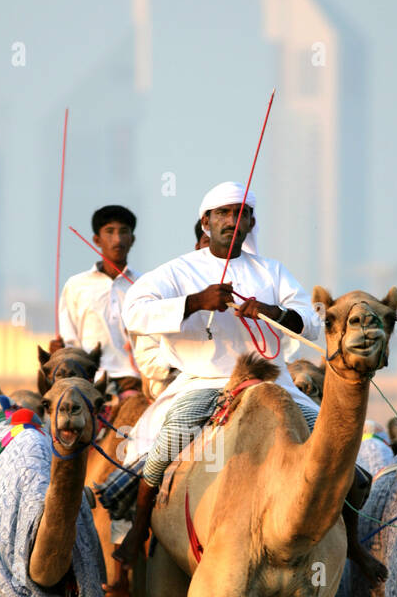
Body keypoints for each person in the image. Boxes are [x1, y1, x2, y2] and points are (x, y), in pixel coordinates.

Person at [109, 180, 322, 566]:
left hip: (272, 383)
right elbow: (134, 312)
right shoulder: (177, 271)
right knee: (167, 443)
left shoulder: (272, 272)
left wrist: (272, 312)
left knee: (329, 444)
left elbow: (312, 321)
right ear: (205, 221)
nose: (231, 220)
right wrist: (196, 301)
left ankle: (350, 548)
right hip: (207, 384)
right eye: (222, 213)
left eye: (240, 213)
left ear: (250, 222)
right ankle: (139, 528)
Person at [52, 204, 140, 387]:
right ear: (96, 239)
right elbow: (69, 339)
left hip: (135, 379)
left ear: (132, 239)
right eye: (109, 232)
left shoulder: (144, 285)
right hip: (88, 381)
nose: (117, 240)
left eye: (124, 232)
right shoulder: (76, 285)